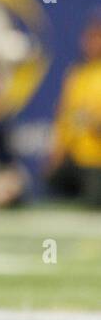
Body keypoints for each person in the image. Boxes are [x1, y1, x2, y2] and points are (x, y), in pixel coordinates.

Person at [45, 18, 101, 205]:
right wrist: (57, 154)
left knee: (92, 202)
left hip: (96, 160)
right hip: (74, 158)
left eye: (97, 38)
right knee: (50, 185)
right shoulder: (76, 75)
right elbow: (64, 118)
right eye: (90, 38)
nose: (92, 43)